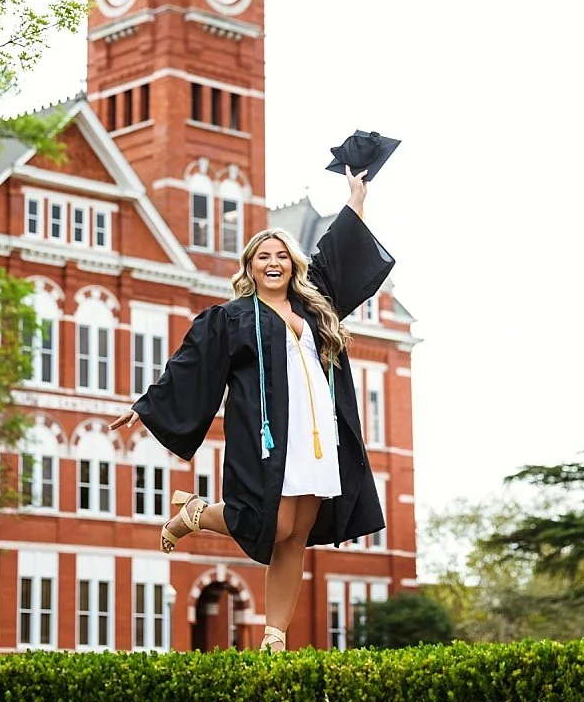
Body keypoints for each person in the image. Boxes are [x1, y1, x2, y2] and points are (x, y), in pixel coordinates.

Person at [112, 169, 392, 651]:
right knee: (275, 522)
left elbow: (341, 247)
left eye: (282, 255)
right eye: (264, 256)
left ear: (294, 265)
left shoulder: (316, 304)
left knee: (296, 534)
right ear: (251, 267)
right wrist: (146, 405)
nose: (274, 262)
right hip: (270, 435)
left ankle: (274, 636)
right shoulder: (233, 318)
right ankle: (195, 512)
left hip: (319, 432)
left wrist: (356, 197)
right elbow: (190, 363)